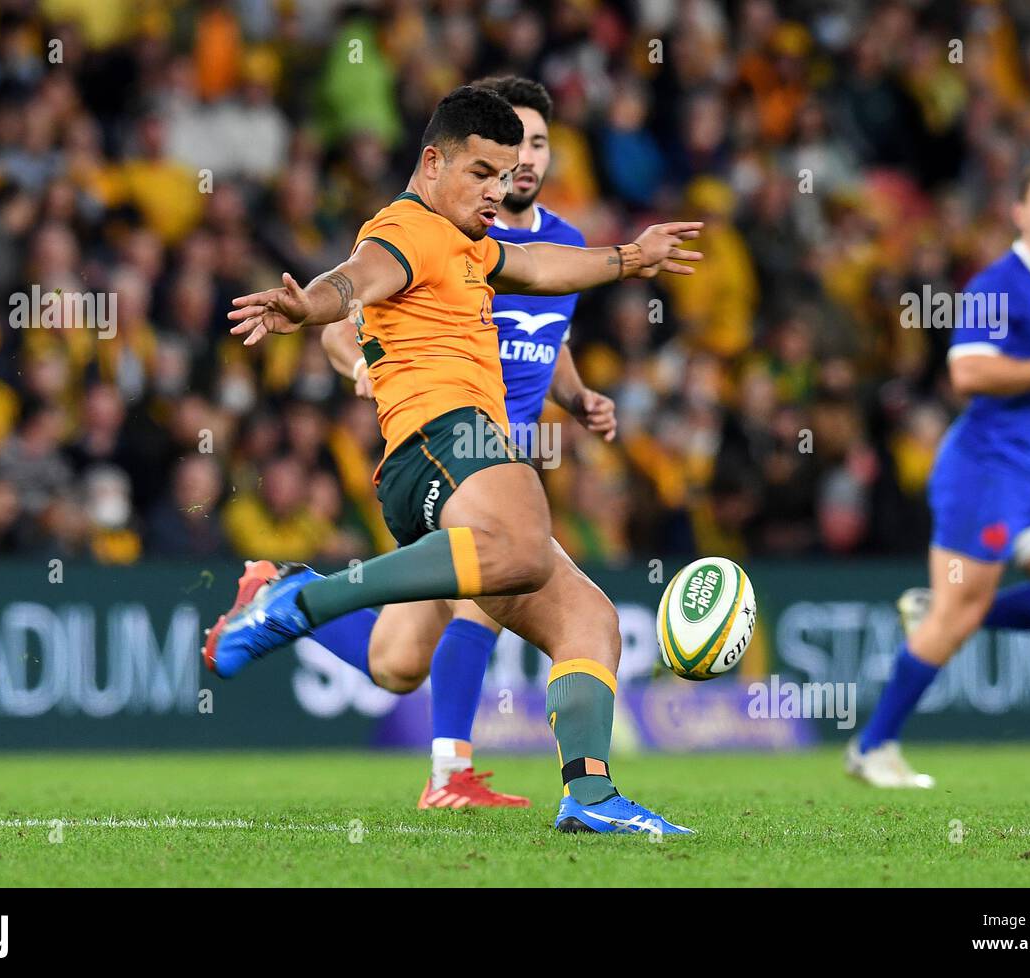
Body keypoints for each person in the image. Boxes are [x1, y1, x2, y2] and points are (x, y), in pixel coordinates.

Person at [208, 85, 702, 834]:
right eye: (482, 174)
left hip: (456, 465)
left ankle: (590, 794)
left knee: (580, 626)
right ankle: (299, 605)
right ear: (433, 162)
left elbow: (539, 267)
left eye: (506, 179)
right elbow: (353, 280)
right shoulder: (408, 228)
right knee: (522, 540)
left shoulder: (469, 242)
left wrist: (634, 257)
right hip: (445, 442)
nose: (497, 194)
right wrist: (309, 307)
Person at [311, 76, 617, 810]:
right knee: (500, 579)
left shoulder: (563, 244)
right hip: (458, 449)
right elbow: (336, 319)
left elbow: (551, 338)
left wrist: (576, 398)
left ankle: (285, 594)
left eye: (538, 145)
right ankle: (452, 776)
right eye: (509, 150)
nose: (524, 163)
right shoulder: (440, 232)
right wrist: (365, 366)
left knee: (396, 662)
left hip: (504, 449)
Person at [848, 156, 1030, 788]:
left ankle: (940, 608)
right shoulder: (997, 284)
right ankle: (873, 748)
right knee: (956, 620)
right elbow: (968, 373)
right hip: (982, 474)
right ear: (1020, 213)